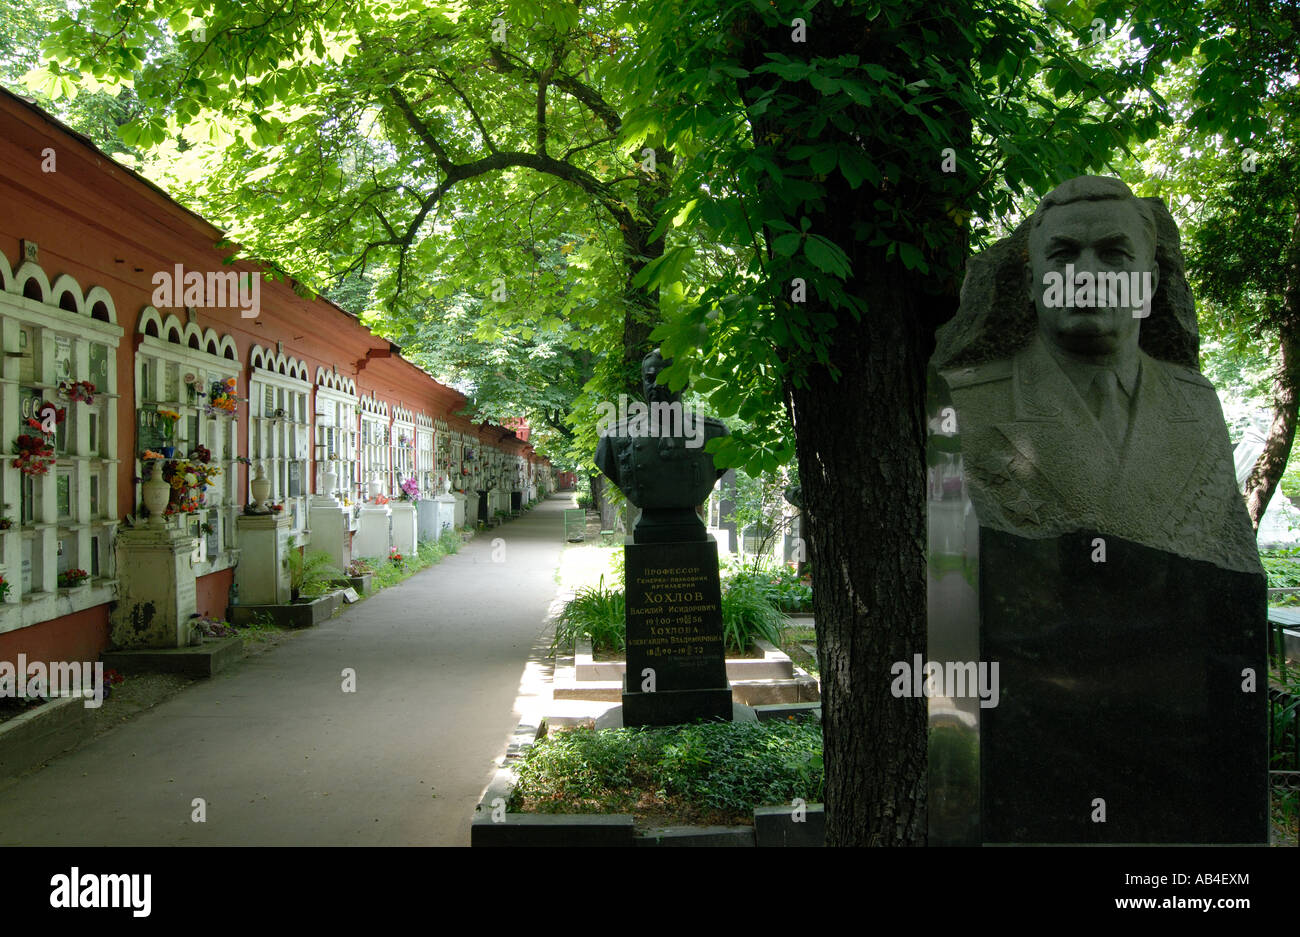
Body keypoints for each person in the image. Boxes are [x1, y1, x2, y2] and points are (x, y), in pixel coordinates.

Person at [940, 176, 1258, 574]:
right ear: (1030, 284)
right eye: (1063, 254)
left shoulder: (1198, 404)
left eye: (1114, 254)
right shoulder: (963, 404)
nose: (1086, 274)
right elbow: (948, 576)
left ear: (1151, 283)